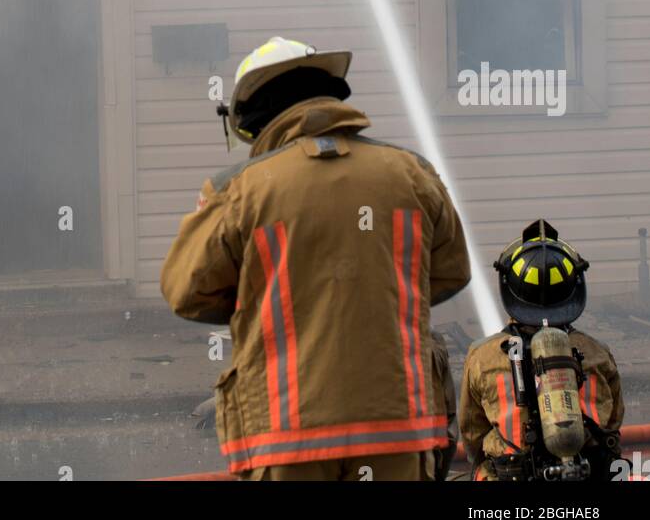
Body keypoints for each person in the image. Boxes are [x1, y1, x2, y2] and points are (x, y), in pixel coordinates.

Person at [160, 36, 472, 480]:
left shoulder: (240, 189)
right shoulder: (412, 173)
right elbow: (450, 273)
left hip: (288, 434)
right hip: (397, 429)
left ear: (251, 113)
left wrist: (262, 295)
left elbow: (186, 292)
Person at [459, 219, 624, 481]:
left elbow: (472, 435)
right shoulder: (598, 353)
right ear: (574, 288)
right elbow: (613, 427)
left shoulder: (482, 356)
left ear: (509, 287)